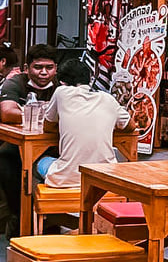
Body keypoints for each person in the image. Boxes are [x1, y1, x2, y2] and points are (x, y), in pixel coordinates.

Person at [36, 56, 131, 190]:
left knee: (37, 162)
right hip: (106, 178)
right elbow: (130, 126)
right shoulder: (108, 99)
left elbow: (48, 126)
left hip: (65, 179)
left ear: (62, 82)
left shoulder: (61, 92)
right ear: (90, 79)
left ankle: (36, 208)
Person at [0, 44, 60, 226]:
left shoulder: (62, 85)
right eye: (38, 67)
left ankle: (51, 217)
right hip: (18, 146)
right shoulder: (16, 83)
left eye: (49, 67)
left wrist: (29, 113)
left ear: (56, 68)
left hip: (56, 147)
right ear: (26, 68)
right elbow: (7, 112)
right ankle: (21, 217)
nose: (43, 73)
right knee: (3, 160)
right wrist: (45, 113)